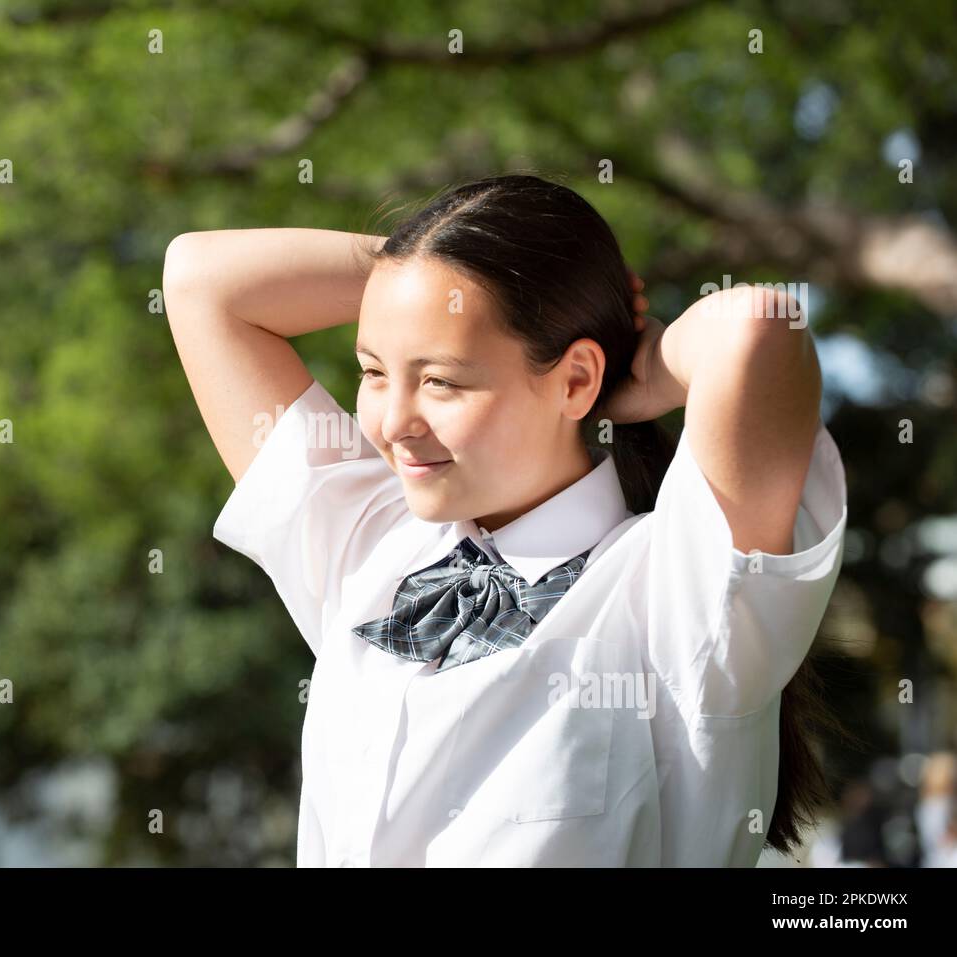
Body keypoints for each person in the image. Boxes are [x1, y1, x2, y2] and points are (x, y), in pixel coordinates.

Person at [163, 173, 848, 866]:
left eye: (440, 380)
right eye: (373, 372)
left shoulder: (675, 590)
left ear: (577, 380)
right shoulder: (372, 544)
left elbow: (760, 327)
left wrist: (646, 370)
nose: (393, 423)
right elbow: (200, 279)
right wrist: (425, 269)